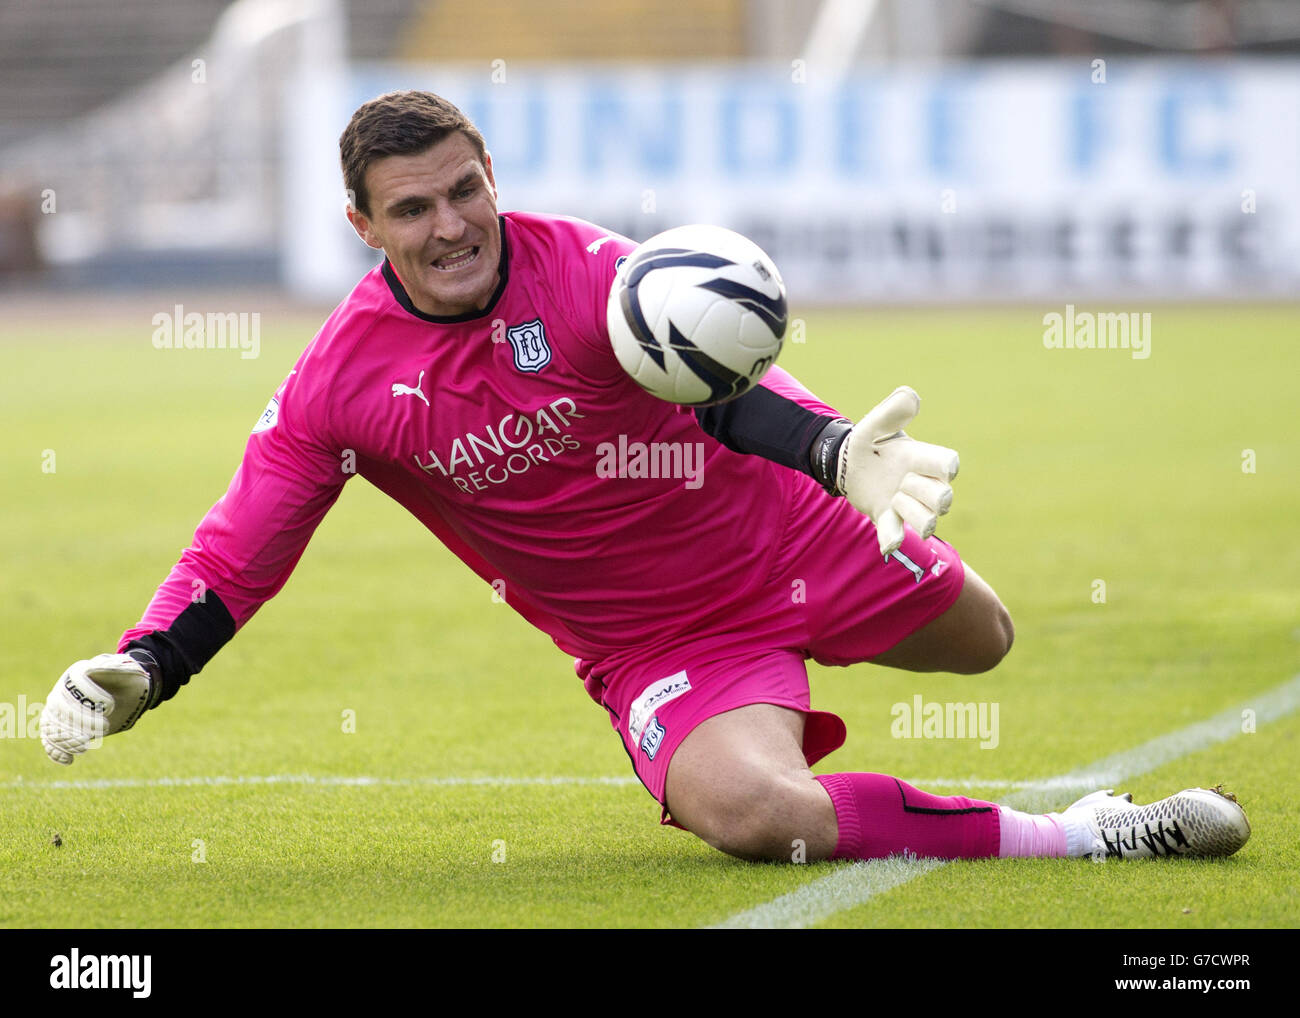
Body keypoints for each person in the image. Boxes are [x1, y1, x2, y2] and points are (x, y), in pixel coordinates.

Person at [39, 90, 1249, 863]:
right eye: (414, 209)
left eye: (467, 189)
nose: (453, 224)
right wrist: (147, 665)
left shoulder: (591, 271)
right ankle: (1086, 836)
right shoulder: (338, 387)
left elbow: (717, 375)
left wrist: (833, 453)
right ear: (364, 225)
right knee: (754, 817)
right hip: (661, 638)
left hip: (790, 534)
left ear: (492, 173)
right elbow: (240, 551)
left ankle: (806, 655)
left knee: (982, 639)